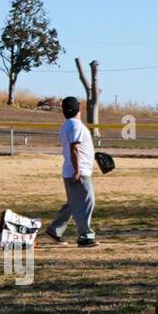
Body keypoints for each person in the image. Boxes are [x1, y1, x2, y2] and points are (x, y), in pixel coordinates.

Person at [44, 96, 97, 247]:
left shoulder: (66, 125)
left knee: (74, 203)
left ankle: (55, 230)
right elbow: (74, 148)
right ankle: (85, 236)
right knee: (87, 201)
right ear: (78, 109)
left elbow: (77, 148)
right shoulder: (76, 125)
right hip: (78, 171)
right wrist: (77, 170)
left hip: (70, 170)